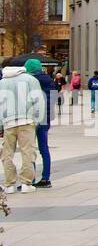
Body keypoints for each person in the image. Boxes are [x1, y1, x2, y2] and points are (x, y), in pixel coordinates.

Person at [0, 59, 45, 193]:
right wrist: (37, 120)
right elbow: (39, 101)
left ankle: (9, 184)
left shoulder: (2, 82)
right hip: (26, 121)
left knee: (7, 153)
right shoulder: (30, 80)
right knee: (27, 152)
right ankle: (26, 183)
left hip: (8, 122)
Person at [30, 59, 57, 187]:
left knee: (29, 149)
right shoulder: (49, 80)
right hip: (45, 118)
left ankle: (30, 179)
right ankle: (46, 178)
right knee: (44, 148)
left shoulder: (30, 81)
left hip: (33, 118)